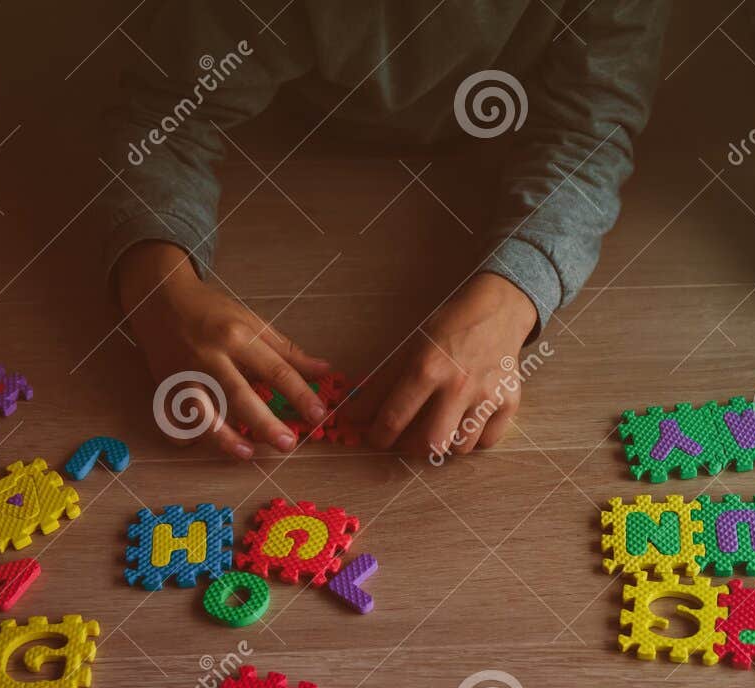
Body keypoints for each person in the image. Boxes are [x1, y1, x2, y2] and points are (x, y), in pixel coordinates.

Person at [103, 1, 667, 460]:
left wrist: (515, 296)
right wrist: (158, 286)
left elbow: (589, 129)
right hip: (282, 129)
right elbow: (166, 114)